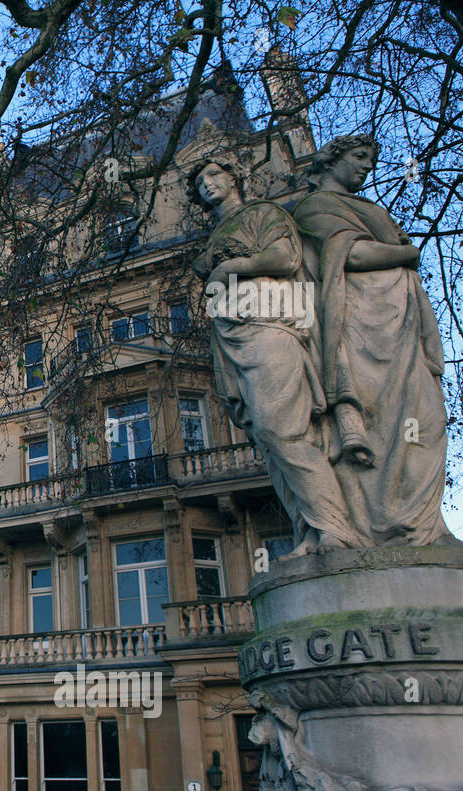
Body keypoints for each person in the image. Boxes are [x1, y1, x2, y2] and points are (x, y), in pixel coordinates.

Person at [189, 155, 364, 555]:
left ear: (236, 176)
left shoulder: (263, 212)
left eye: (214, 173)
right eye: (199, 181)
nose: (206, 184)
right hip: (231, 332)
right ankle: (308, 531)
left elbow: (285, 258)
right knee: (267, 442)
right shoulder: (216, 234)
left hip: (270, 323)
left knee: (279, 428)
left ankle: (336, 527)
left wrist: (229, 267)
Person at [293, 135, 451, 545]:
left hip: (398, 324)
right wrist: (407, 254)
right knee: (378, 422)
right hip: (357, 328)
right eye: (360, 157)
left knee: (426, 419)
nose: (368, 166)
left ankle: (423, 526)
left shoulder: (367, 208)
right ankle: (379, 523)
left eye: (372, 159)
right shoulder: (315, 207)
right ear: (330, 161)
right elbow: (354, 257)